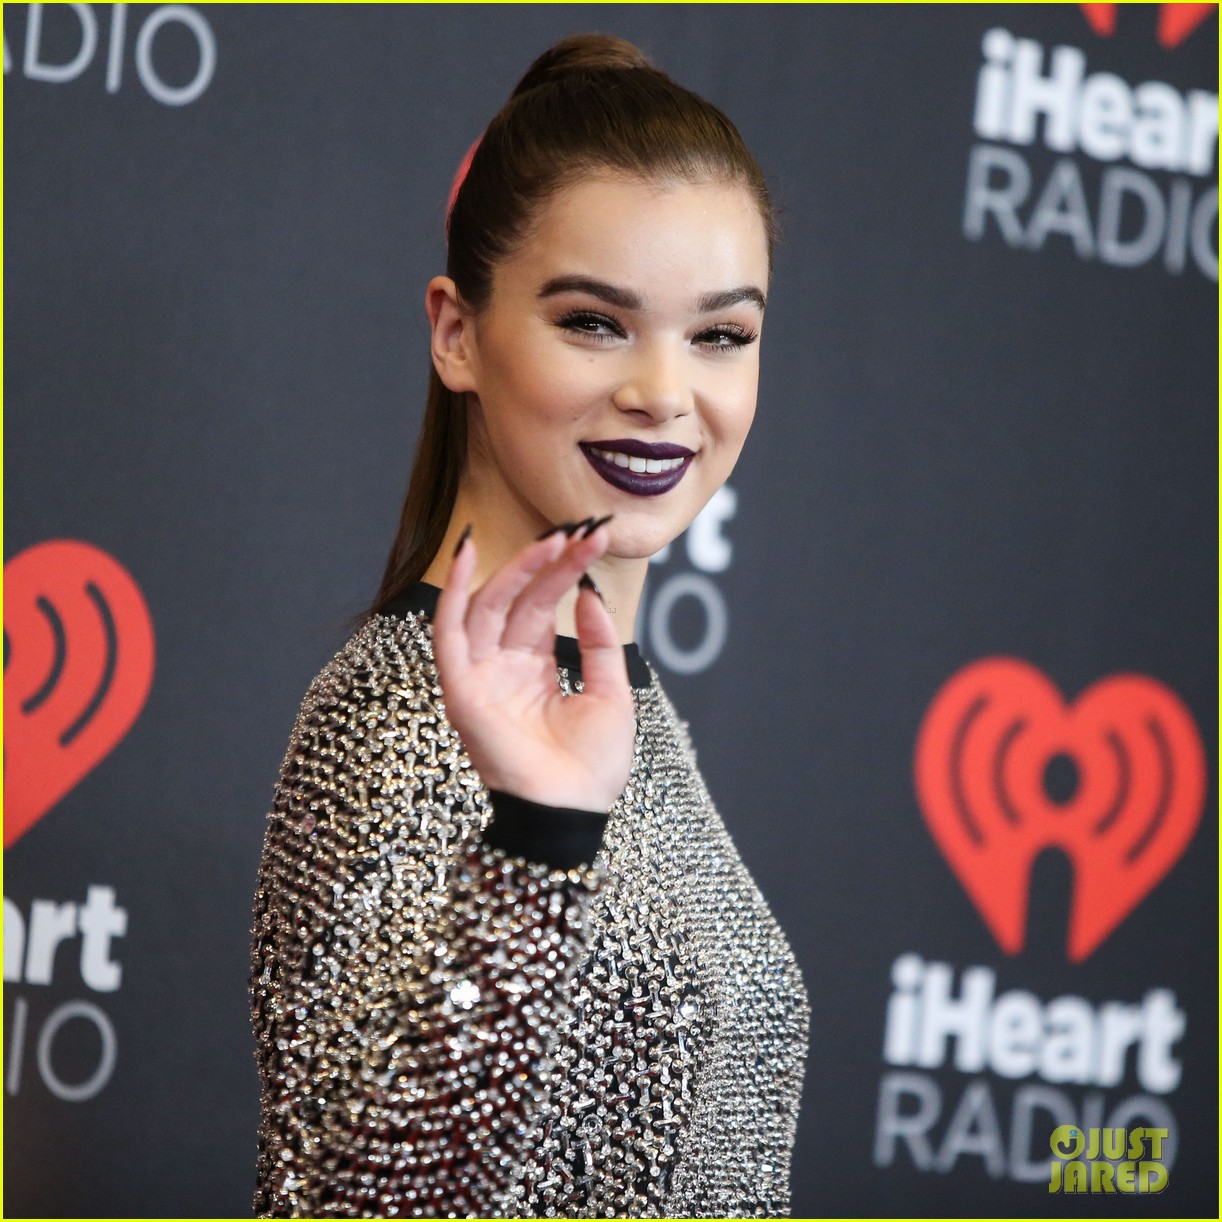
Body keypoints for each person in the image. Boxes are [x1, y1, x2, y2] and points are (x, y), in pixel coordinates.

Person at [249, 32, 809, 1219]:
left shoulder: (633, 714)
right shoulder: (391, 711)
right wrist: (536, 844)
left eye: (720, 334)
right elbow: (355, 1200)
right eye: (595, 322)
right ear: (457, 332)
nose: (665, 391)